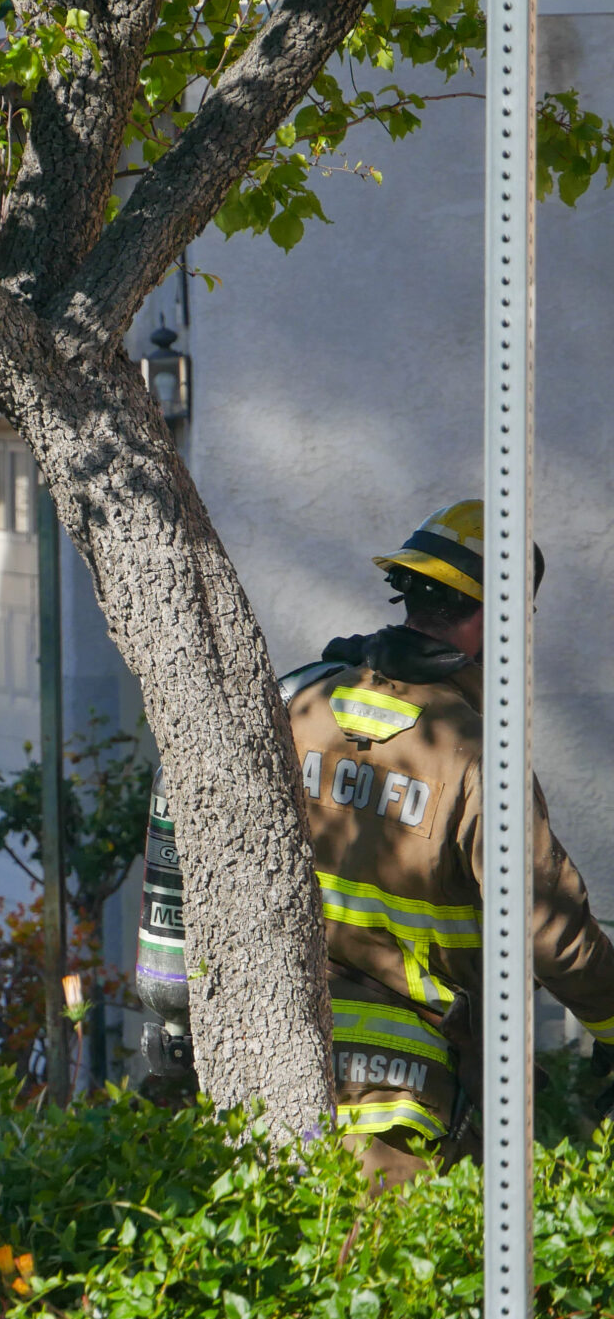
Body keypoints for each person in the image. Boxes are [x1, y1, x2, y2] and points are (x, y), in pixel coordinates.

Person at [135, 501, 614, 1189]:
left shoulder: (298, 705)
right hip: (404, 1096)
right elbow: (550, 931)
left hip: (270, 1062)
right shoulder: (476, 755)